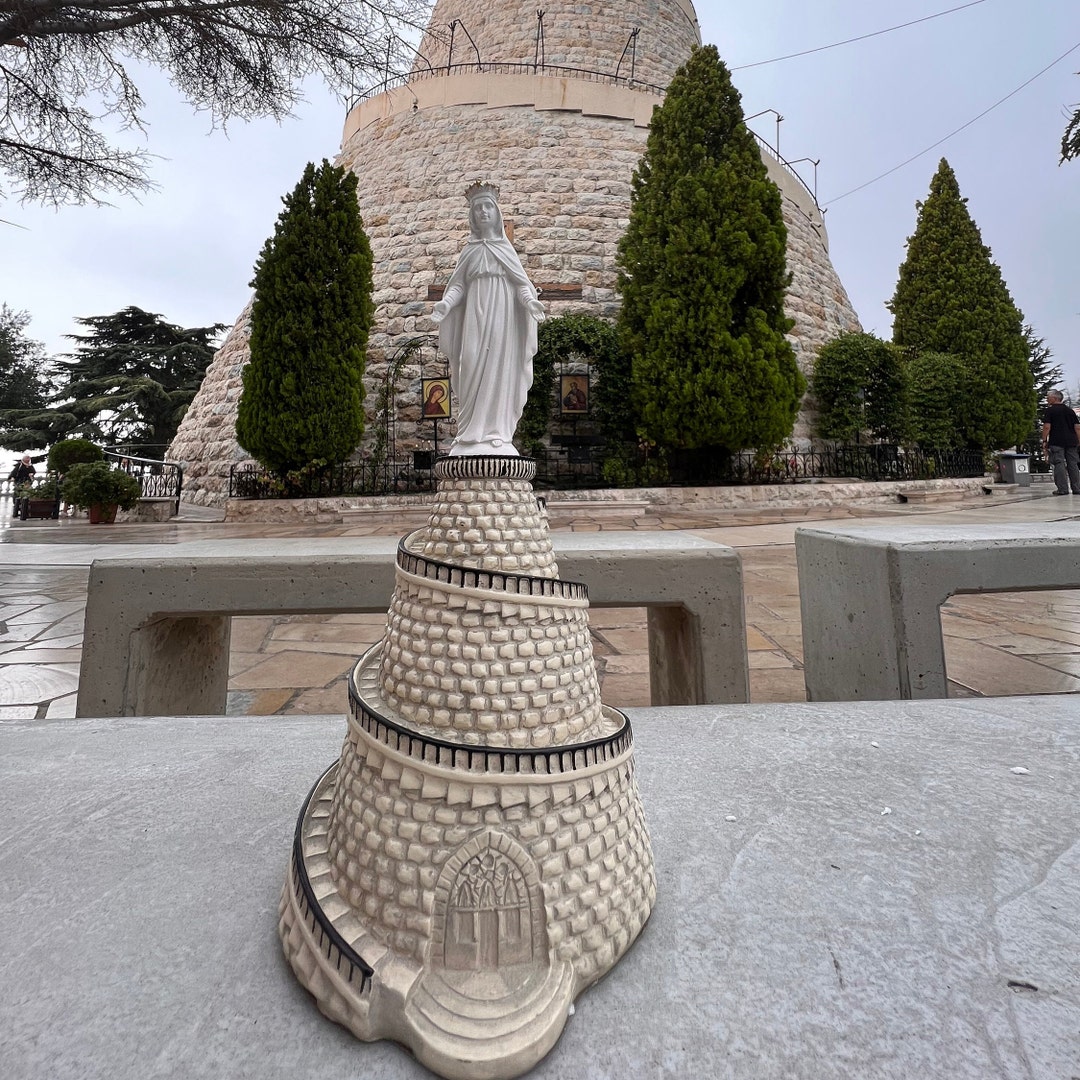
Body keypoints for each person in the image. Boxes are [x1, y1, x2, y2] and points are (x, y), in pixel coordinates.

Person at [431, 183, 545, 455]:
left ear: (496, 213)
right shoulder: (469, 251)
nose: (483, 212)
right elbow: (458, 285)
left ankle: (497, 432)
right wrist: (446, 303)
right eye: (477, 208)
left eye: (487, 207)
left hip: (502, 318)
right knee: (469, 361)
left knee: (499, 367)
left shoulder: (506, 250)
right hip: (475, 316)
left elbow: (520, 283)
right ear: (472, 215)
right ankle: (469, 431)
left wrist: (530, 302)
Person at [1040, 389, 1080, 495]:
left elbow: (1047, 426)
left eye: (1048, 397)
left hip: (1056, 441)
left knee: (1059, 463)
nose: (1047, 399)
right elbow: (1077, 427)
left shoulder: (1050, 411)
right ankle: (1077, 488)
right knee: (1073, 464)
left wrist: (1044, 440)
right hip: (1071, 441)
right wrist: (1078, 440)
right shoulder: (1070, 411)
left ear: (1054, 398)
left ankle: (1062, 489)